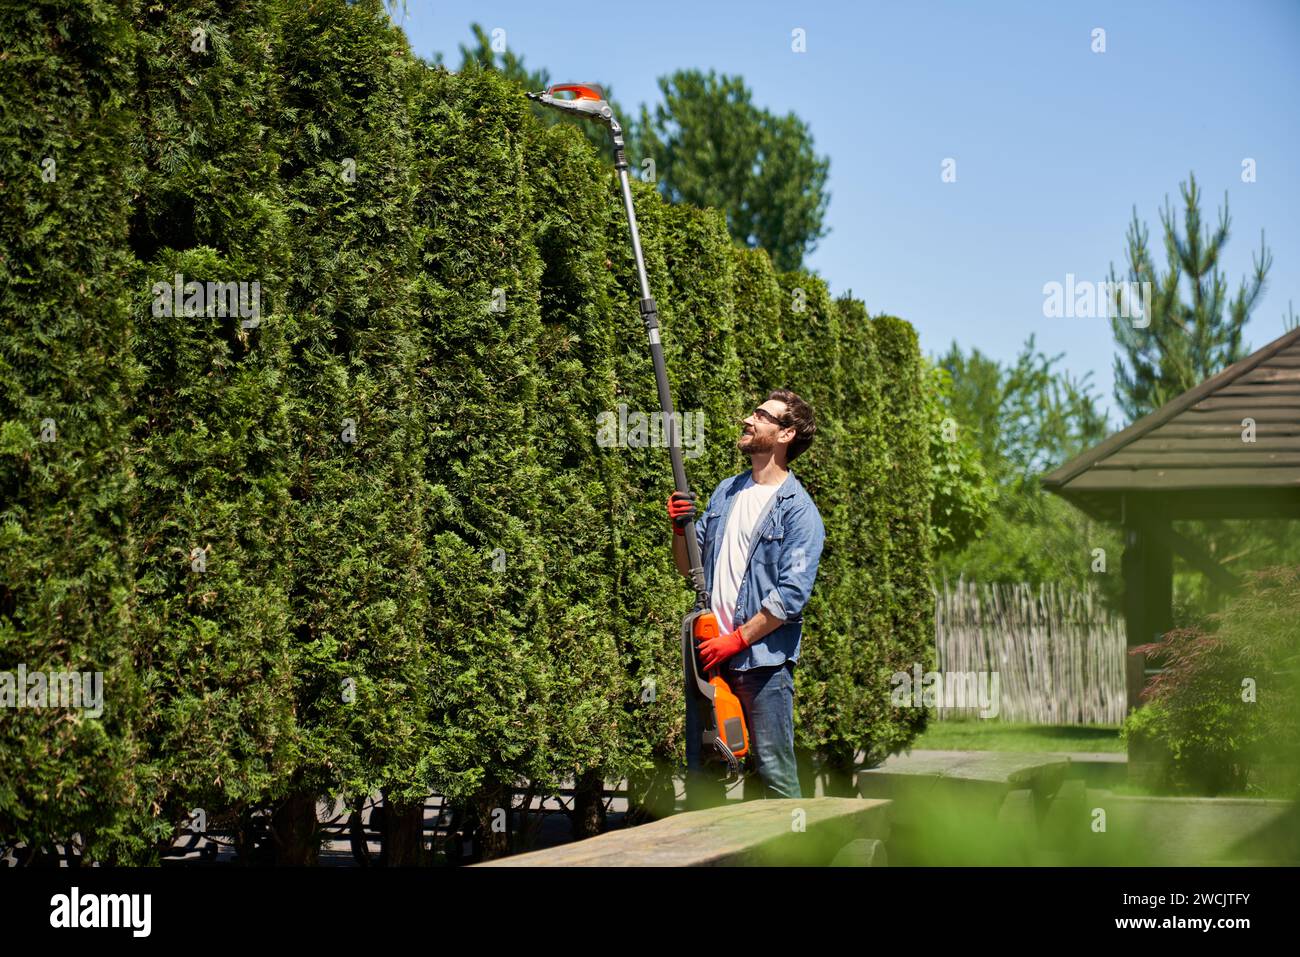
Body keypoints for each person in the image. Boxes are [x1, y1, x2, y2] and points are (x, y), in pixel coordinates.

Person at [666, 388, 825, 804]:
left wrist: (736, 640)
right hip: (709, 658)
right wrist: (680, 528)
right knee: (703, 776)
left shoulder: (799, 511)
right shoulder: (726, 492)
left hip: (763, 664)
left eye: (760, 415)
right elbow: (688, 566)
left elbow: (790, 596)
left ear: (786, 434)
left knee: (773, 773)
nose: (747, 420)